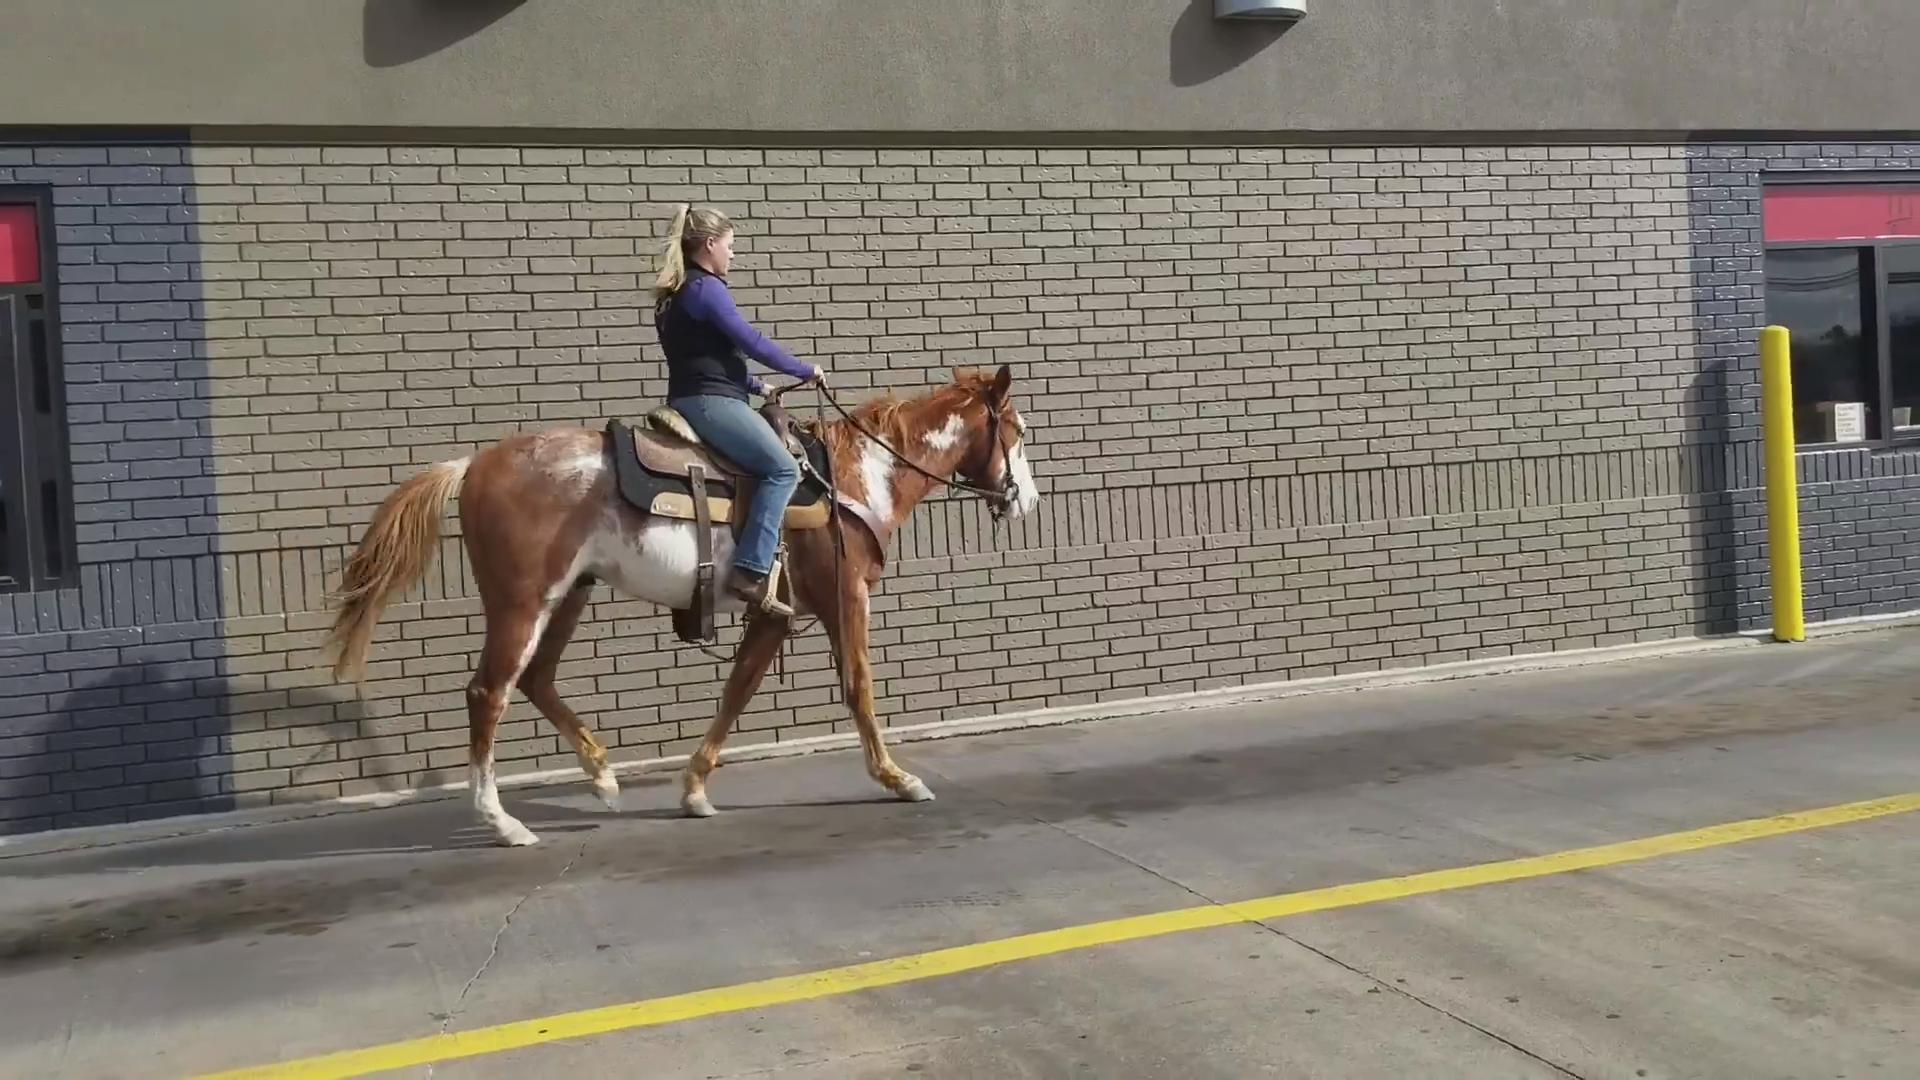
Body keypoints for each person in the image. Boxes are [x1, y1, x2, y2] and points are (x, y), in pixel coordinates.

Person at [653, 205, 824, 616]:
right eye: (730, 246)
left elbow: (702, 357)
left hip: (696, 396)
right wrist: (805, 370)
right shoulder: (706, 289)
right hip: (712, 404)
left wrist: (756, 385)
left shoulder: (675, 294)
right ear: (710, 244)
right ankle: (750, 569)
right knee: (782, 469)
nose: (733, 255)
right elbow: (750, 342)